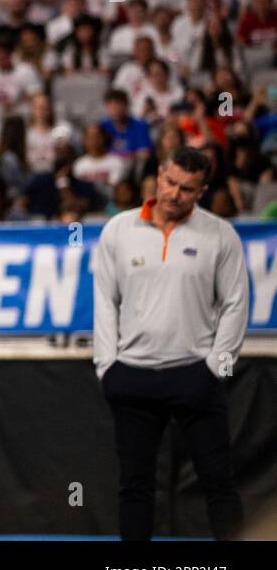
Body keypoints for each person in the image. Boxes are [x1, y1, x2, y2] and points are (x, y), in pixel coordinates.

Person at [93, 146, 248, 541]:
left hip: (195, 375)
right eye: (170, 182)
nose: (175, 194)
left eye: (187, 188)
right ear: (159, 175)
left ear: (202, 191)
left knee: (219, 482)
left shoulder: (220, 235)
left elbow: (235, 304)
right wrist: (106, 365)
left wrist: (216, 367)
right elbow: (105, 301)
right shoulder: (118, 230)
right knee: (135, 487)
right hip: (132, 376)